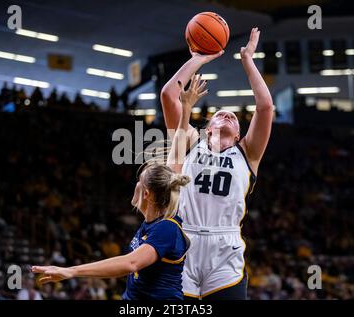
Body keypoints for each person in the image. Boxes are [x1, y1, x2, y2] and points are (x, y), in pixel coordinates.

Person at [32, 80, 210, 300]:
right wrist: (186, 108)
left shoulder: (167, 228)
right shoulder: (162, 217)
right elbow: (177, 153)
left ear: (146, 193)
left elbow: (131, 263)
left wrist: (71, 271)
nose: (136, 183)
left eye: (140, 181)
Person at [160, 28, 273, 300]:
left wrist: (248, 61)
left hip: (226, 247)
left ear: (238, 136)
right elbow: (168, 95)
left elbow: (265, 107)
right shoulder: (189, 140)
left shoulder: (248, 153)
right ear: (207, 129)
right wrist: (199, 58)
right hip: (182, 239)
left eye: (234, 118)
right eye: (219, 115)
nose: (227, 114)